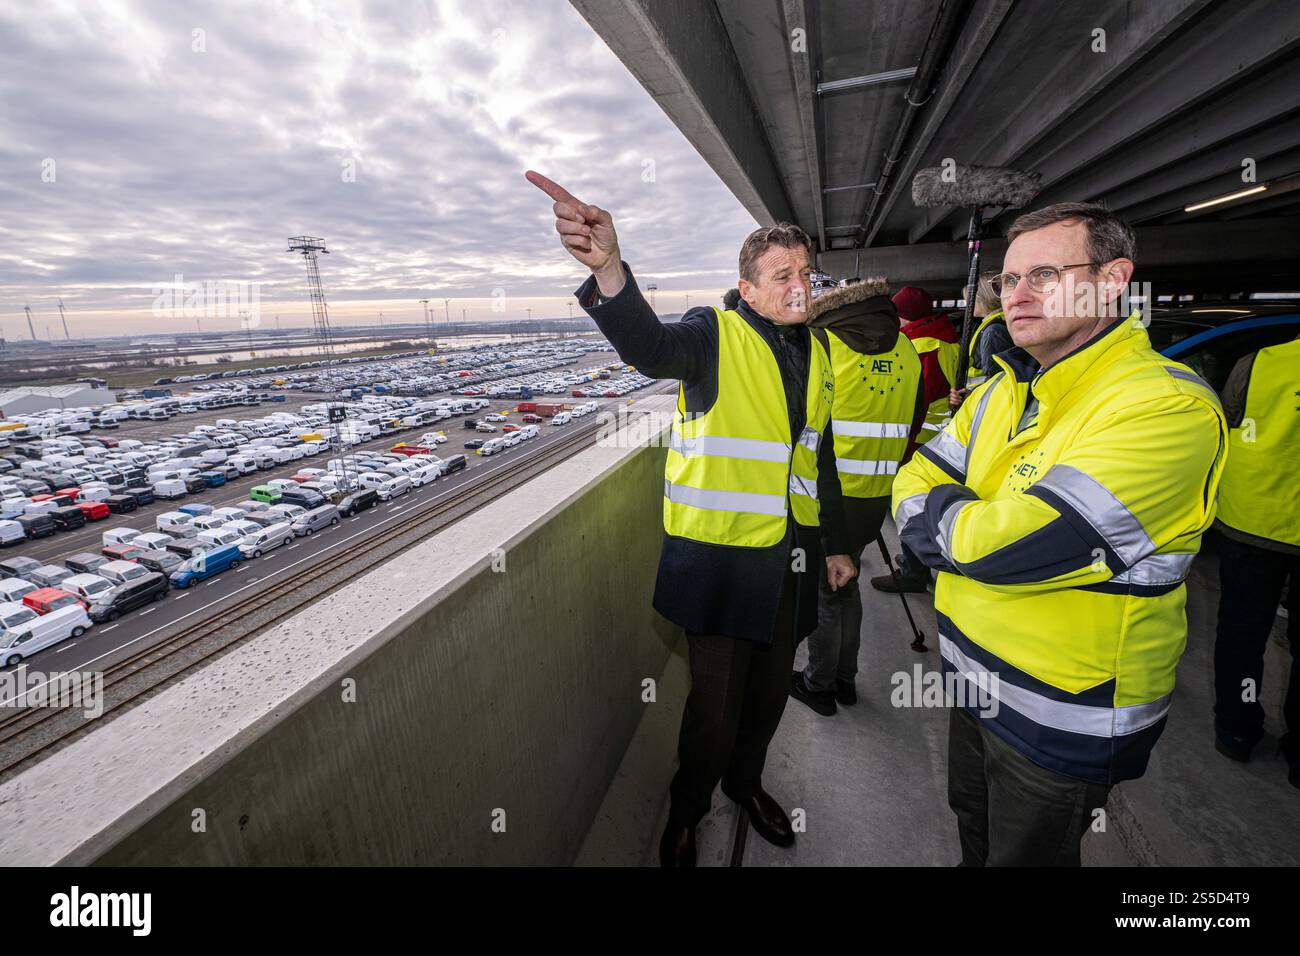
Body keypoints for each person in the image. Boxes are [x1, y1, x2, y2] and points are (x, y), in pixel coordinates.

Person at [525, 170, 857, 867]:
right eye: (782, 274)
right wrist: (611, 270)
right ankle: (687, 813)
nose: (800, 285)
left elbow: (815, 458)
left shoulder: (821, 351)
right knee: (713, 709)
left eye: (806, 271)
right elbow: (651, 349)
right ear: (749, 287)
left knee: (767, 703)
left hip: (790, 564)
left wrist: (835, 544)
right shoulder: (715, 333)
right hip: (721, 562)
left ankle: (747, 784)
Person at [892, 201, 1227, 865]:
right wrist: (960, 520)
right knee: (974, 832)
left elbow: (1012, 548)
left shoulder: (1164, 404)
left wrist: (950, 521)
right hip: (969, 679)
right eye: (1007, 281)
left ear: (1112, 279)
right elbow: (911, 483)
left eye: (1043, 274)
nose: (1017, 296)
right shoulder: (1000, 391)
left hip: (1061, 713)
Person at [788, 278, 925, 716]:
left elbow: (804, 427)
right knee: (846, 585)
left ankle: (820, 684)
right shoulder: (908, 349)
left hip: (829, 494)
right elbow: (915, 420)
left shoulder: (823, 344)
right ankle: (845, 679)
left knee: (826, 591)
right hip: (876, 493)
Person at [1212, 332, 1300, 788]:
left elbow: (1224, 423)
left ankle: (1236, 730)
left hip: (1254, 522)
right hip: (1262, 523)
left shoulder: (1258, 363)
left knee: (1242, 633)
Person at [870, 286, 960, 594]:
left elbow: (919, 398)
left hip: (921, 437)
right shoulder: (946, 339)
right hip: (944, 434)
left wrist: (905, 436)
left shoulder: (921, 346)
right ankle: (915, 559)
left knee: (910, 500)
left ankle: (912, 571)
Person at [950, 270, 1014, 407]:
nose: (968, 304)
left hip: (987, 403)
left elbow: (997, 380)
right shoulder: (997, 326)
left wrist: (972, 394)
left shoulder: (993, 332)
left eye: (970, 300)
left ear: (983, 300)